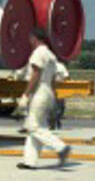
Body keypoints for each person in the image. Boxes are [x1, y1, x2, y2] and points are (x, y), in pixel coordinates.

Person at [17, 28, 71, 170]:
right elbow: (53, 78)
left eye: (30, 38)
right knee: (37, 126)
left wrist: (26, 94)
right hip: (47, 91)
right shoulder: (51, 55)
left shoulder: (38, 53)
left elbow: (35, 74)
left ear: (35, 38)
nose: (29, 41)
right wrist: (53, 96)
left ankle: (60, 147)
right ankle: (30, 161)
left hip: (39, 91)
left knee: (33, 127)